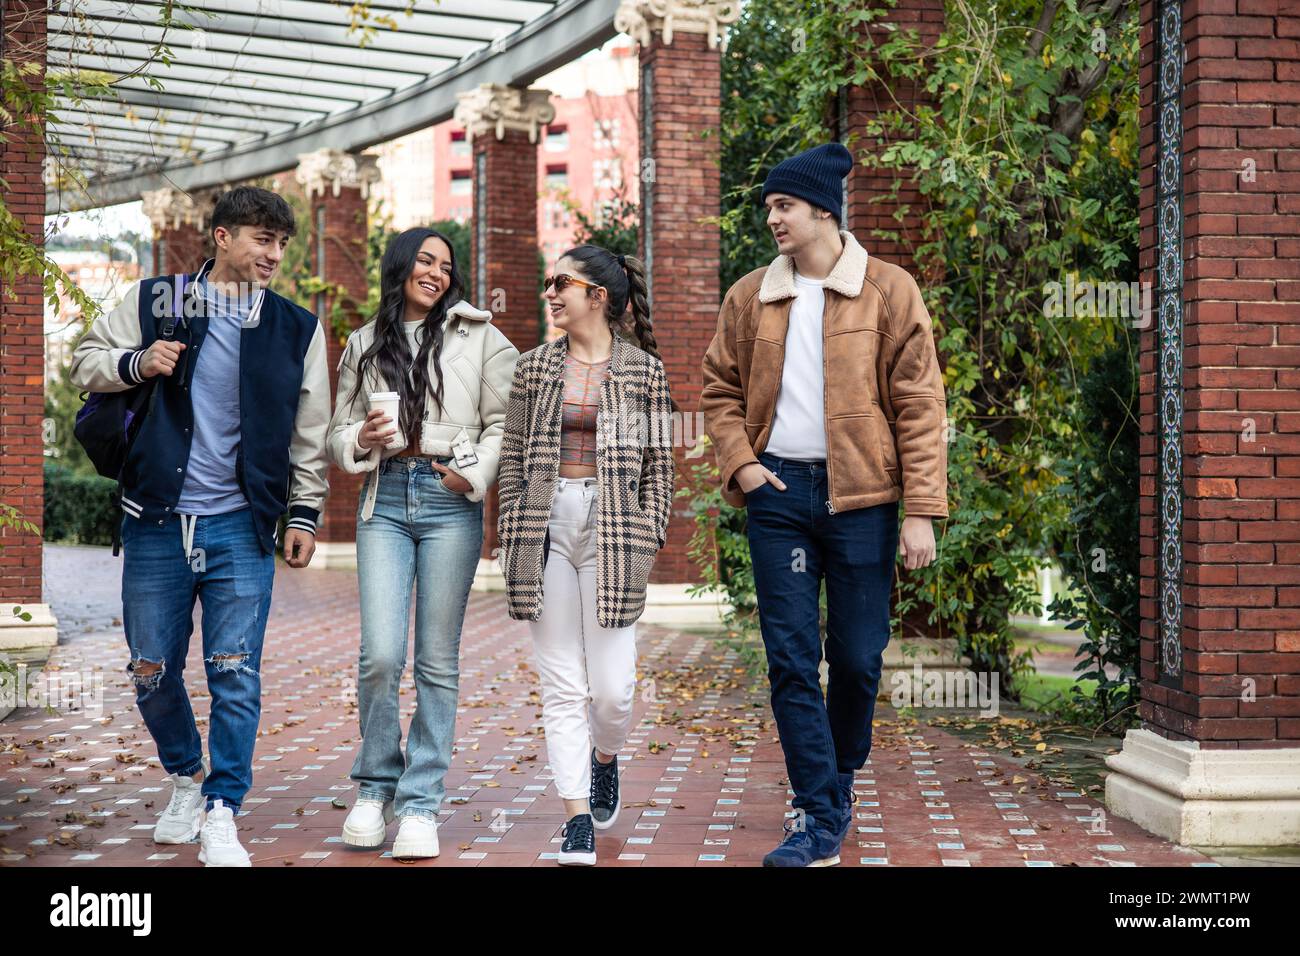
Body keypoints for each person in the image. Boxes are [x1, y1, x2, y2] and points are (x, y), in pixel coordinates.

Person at [700, 142, 949, 867]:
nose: (772, 218)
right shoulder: (752, 295)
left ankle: (836, 777)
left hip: (864, 499)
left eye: (784, 206)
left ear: (822, 210)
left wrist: (922, 510)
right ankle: (818, 813)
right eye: (770, 207)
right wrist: (742, 465)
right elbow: (718, 388)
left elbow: (920, 405)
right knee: (790, 657)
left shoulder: (889, 289)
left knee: (860, 657)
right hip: (777, 492)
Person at [70, 186, 331, 867]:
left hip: (242, 528)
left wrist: (302, 512)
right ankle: (186, 777)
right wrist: (137, 362)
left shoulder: (297, 327)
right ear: (221, 237)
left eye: (280, 243)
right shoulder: (157, 299)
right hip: (156, 520)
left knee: (234, 673)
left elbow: (309, 436)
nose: (273, 254)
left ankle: (222, 809)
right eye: (260, 240)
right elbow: (84, 361)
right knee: (151, 669)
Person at [326, 227, 518, 860]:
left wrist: (476, 474)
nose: (436, 272)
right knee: (380, 654)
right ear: (401, 266)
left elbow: (504, 423)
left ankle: (420, 803)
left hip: (447, 499)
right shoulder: (363, 341)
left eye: (446, 264)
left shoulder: (482, 335)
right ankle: (375, 787)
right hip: (384, 497)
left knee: (437, 660)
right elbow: (336, 432)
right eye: (425, 261)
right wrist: (360, 436)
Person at [497, 245, 675, 866]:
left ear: (597, 296)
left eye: (560, 282)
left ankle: (606, 757)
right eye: (548, 282)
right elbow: (514, 459)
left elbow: (660, 468)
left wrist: (648, 535)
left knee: (613, 691)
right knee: (562, 683)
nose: (549, 292)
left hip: (615, 530)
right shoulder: (533, 367)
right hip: (544, 526)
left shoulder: (643, 372)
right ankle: (576, 816)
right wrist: (511, 532)